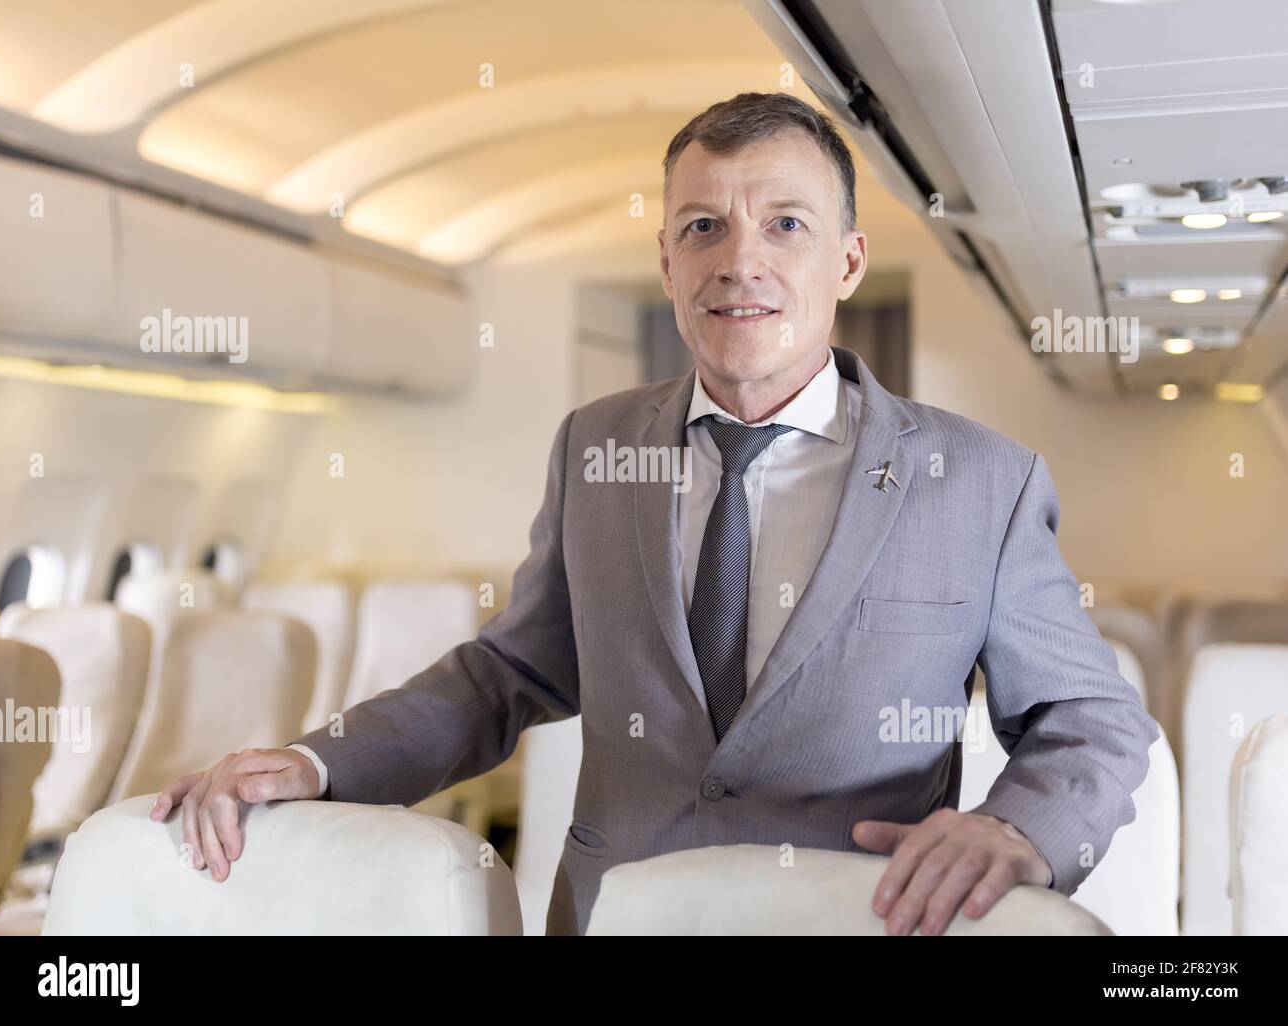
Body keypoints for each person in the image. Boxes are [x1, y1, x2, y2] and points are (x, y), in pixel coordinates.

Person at [153, 91, 1158, 936]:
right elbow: (509, 673)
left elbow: (1090, 718)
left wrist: (1015, 828)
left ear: (847, 262)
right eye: (702, 227)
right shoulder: (596, 446)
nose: (739, 261)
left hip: (853, 922)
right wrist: (316, 759)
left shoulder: (980, 480)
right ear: (667, 260)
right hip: (616, 920)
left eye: (785, 224)